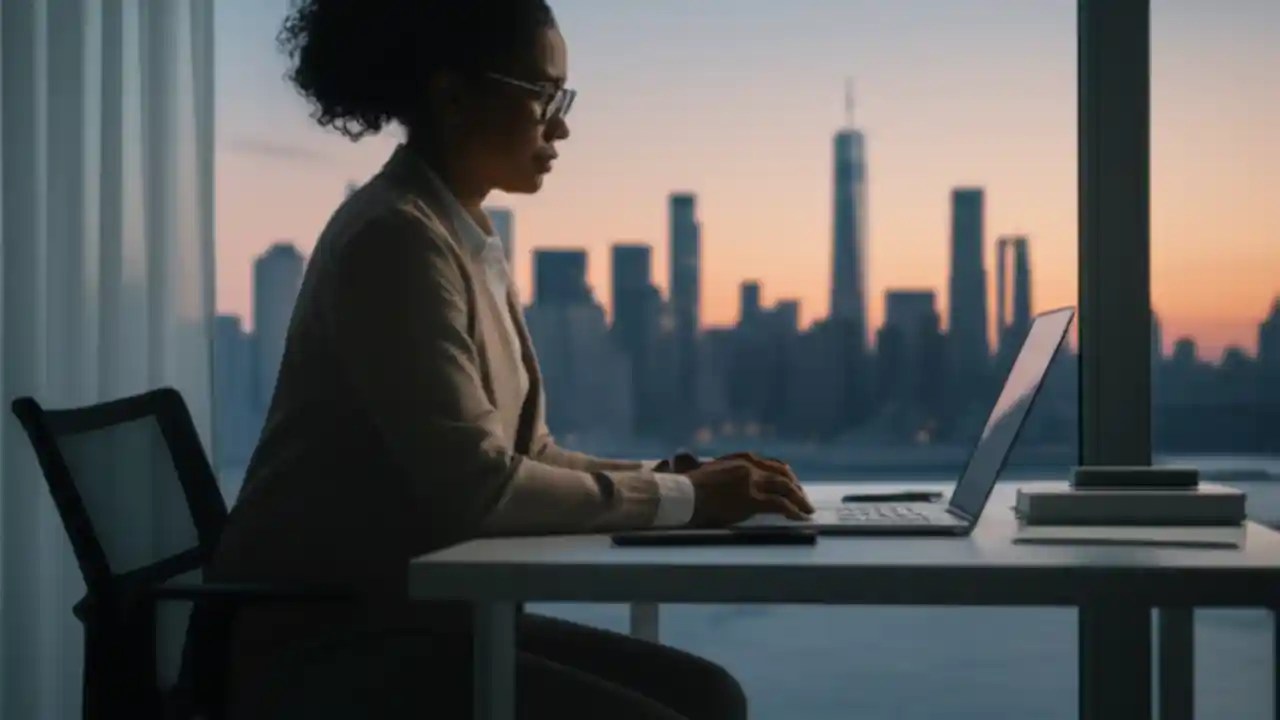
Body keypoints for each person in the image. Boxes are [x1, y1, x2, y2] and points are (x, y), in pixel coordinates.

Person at [211, 1, 814, 718]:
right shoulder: (395, 242)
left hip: (423, 615)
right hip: (331, 636)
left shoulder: (456, 232)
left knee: (709, 697)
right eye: (542, 95)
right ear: (453, 94)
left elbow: (527, 454)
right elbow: (480, 490)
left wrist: (679, 479)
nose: (560, 125)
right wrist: (687, 502)